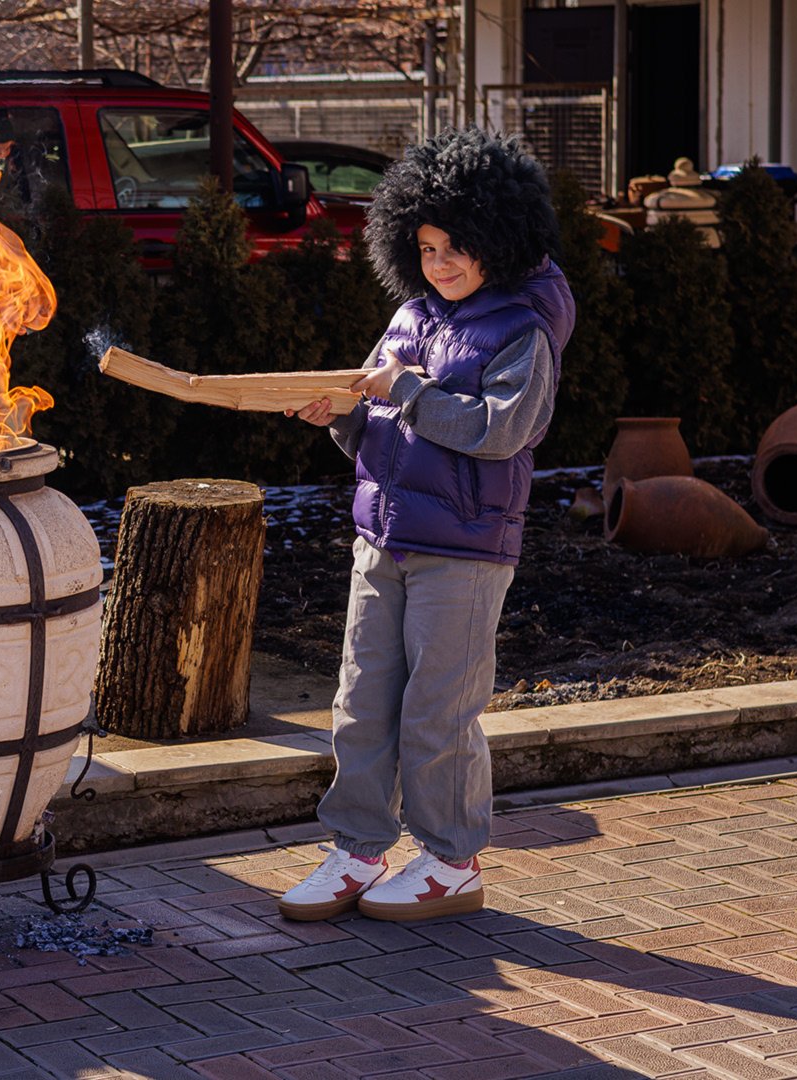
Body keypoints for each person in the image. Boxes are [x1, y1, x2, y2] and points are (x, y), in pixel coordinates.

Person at [274, 127, 574, 924]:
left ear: (500, 241)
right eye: (428, 247)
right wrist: (337, 418)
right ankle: (357, 849)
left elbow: (501, 430)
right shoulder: (411, 316)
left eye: (456, 247)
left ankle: (451, 859)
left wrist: (402, 391)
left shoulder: (523, 327)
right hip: (383, 540)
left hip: (465, 554)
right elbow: (380, 416)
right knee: (360, 701)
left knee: (438, 711)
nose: (439, 264)